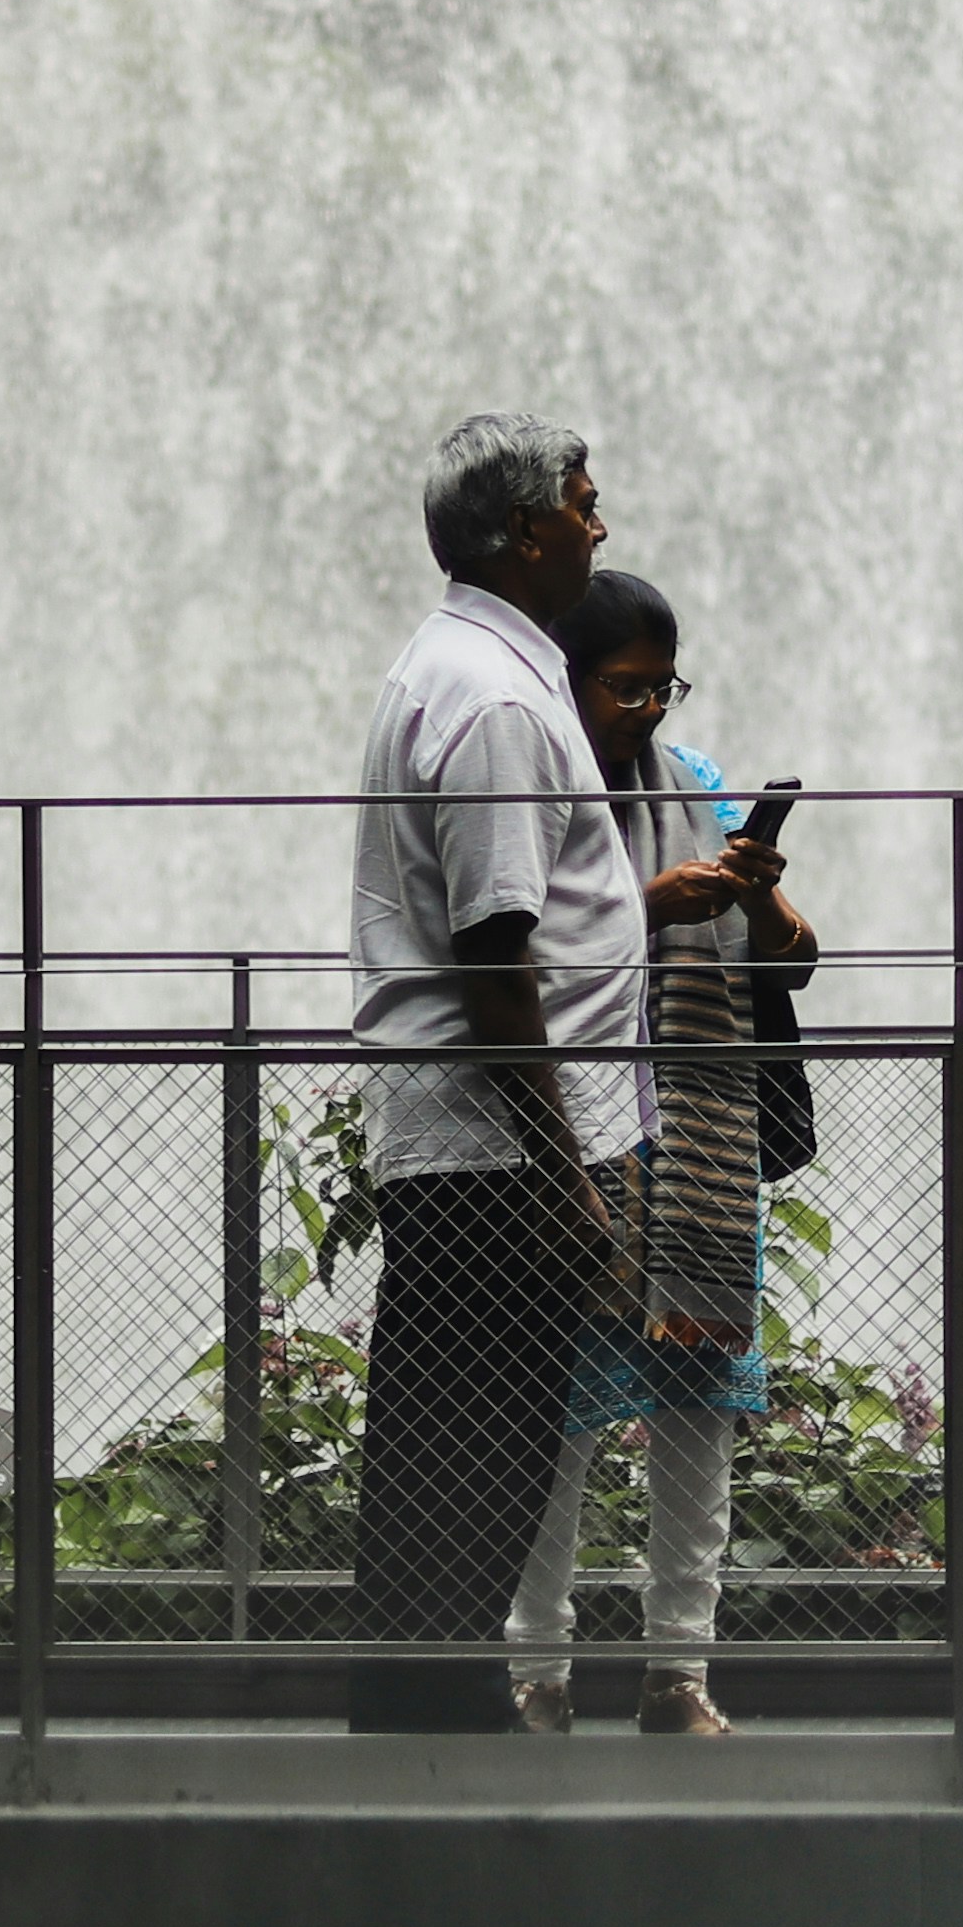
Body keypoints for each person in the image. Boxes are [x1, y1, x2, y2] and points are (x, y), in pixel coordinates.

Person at [344, 413, 649, 1733]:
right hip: (495, 1157)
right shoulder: (497, 702)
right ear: (525, 531)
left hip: (473, 1147)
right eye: (584, 502)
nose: (599, 522)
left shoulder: (461, 668)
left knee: (447, 1459)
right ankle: (431, 1764)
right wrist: (565, 1175)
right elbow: (493, 951)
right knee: (473, 1467)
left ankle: (419, 1733)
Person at [502, 570, 804, 1735]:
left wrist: (758, 898)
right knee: (563, 1420)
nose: (650, 711)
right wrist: (650, 903)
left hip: (700, 1145)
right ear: (567, 682)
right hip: (577, 1139)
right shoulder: (536, 796)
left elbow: (794, 960)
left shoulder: (699, 789)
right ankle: (538, 1669)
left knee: (696, 1414)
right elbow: (515, 950)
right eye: (626, 687)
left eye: (663, 686)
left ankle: (681, 1669)